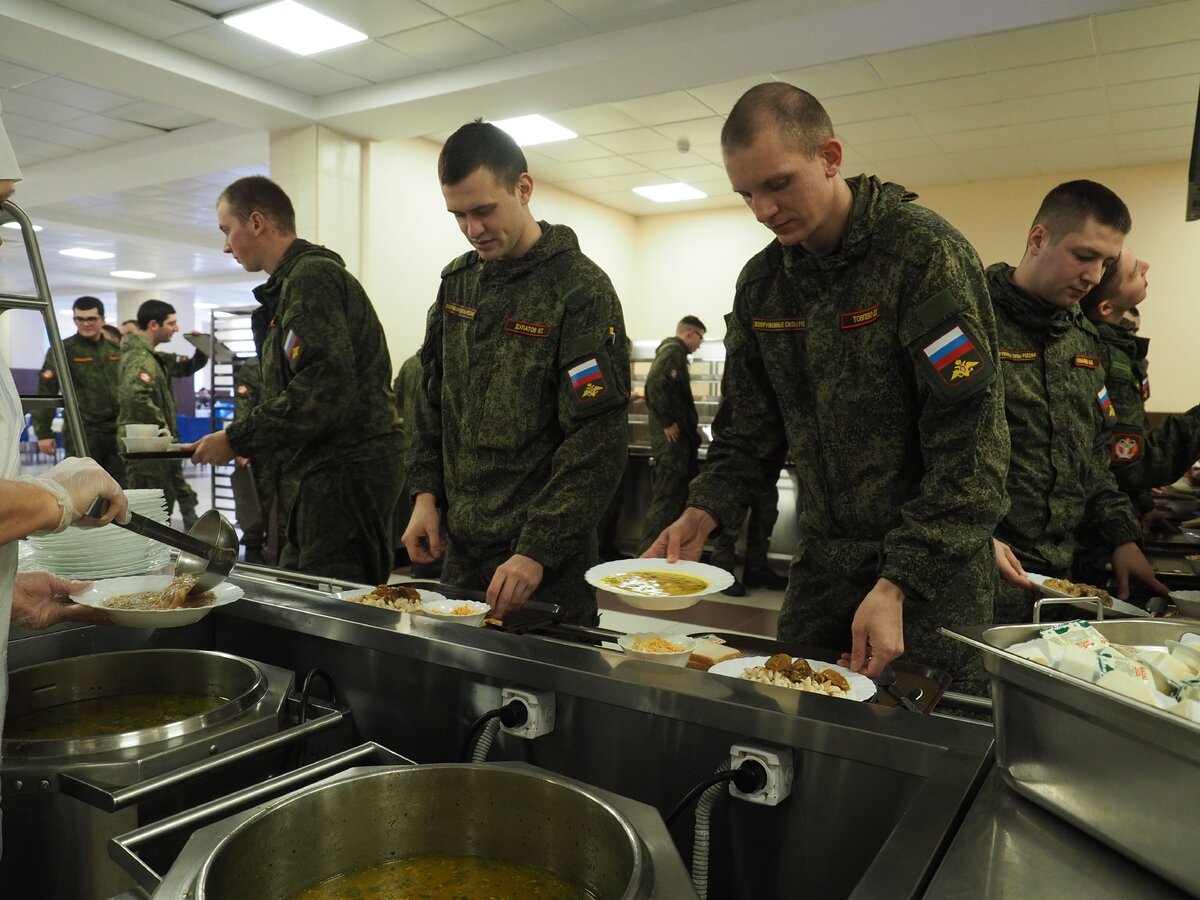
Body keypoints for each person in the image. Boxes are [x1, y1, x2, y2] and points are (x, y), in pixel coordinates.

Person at [645, 84, 1009, 691]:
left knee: (925, 751)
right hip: (824, 569)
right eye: (746, 193)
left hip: (930, 581)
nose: (762, 210)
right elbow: (747, 434)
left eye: (778, 184)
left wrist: (901, 581)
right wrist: (702, 512)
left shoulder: (923, 257)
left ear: (830, 157)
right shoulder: (763, 285)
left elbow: (973, 451)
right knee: (793, 730)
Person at [404, 121, 631, 624]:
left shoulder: (579, 292)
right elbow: (429, 402)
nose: (473, 229)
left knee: (542, 699)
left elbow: (596, 439)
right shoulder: (458, 285)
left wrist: (539, 548)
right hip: (461, 554)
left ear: (523, 188)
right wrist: (425, 495)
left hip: (542, 566)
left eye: (484, 210)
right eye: (458, 215)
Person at [189, 176, 402, 585]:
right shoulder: (288, 290)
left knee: (332, 600)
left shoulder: (310, 280)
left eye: (225, 230)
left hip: (343, 472)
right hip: (319, 470)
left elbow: (323, 385)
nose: (225, 245)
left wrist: (237, 438)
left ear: (256, 223)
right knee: (307, 588)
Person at [986, 181, 1168, 622]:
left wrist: (1122, 538)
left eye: (1105, 262)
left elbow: (1092, 460)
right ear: (1038, 239)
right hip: (981, 573)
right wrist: (965, 534)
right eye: (1083, 256)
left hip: (1061, 581)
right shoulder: (974, 320)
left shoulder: (1084, 341)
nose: (1093, 276)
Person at [1081, 246, 1200, 531]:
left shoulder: (1121, 351)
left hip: (1119, 511)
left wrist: (1143, 505)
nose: (1146, 265)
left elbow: (1124, 439)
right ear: (1106, 308)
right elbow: (1129, 465)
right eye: (1134, 271)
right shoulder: (1106, 357)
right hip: (1099, 529)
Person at [118, 299, 207, 529]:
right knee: (150, 505)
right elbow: (134, 396)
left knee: (164, 498)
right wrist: (162, 423)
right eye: (172, 323)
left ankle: (159, 552)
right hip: (145, 443)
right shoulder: (140, 358)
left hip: (155, 441)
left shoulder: (154, 357)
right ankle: (145, 558)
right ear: (154, 325)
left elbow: (186, 367)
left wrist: (203, 347)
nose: (176, 329)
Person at [31, 296, 124, 483]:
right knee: (82, 485)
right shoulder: (63, 349)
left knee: (120, 487)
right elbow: (46, 391)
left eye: (91, 319)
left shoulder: (115, 350)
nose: (85, 324)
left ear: (103, 320)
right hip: (83, 430)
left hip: (117, 430)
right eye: (79, 319)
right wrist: (43, 433)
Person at [637, 316, 706, 555]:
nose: (699, 344)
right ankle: (645, 560)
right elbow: (654, 384)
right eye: (700, 338)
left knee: (674, 500)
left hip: (678, 446)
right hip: (672, 445)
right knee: (666, 501)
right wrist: (667, 422)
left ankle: (660, 558)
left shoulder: (675, 354)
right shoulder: (672, 351)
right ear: (690, 333)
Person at [393, 350, 441, 578]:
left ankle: (418, 564)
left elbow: (398, 403)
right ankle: (430, 561)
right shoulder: (440, 360)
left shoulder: (408, 365)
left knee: (416, 508)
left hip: (410, 446)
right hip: (435, 451)